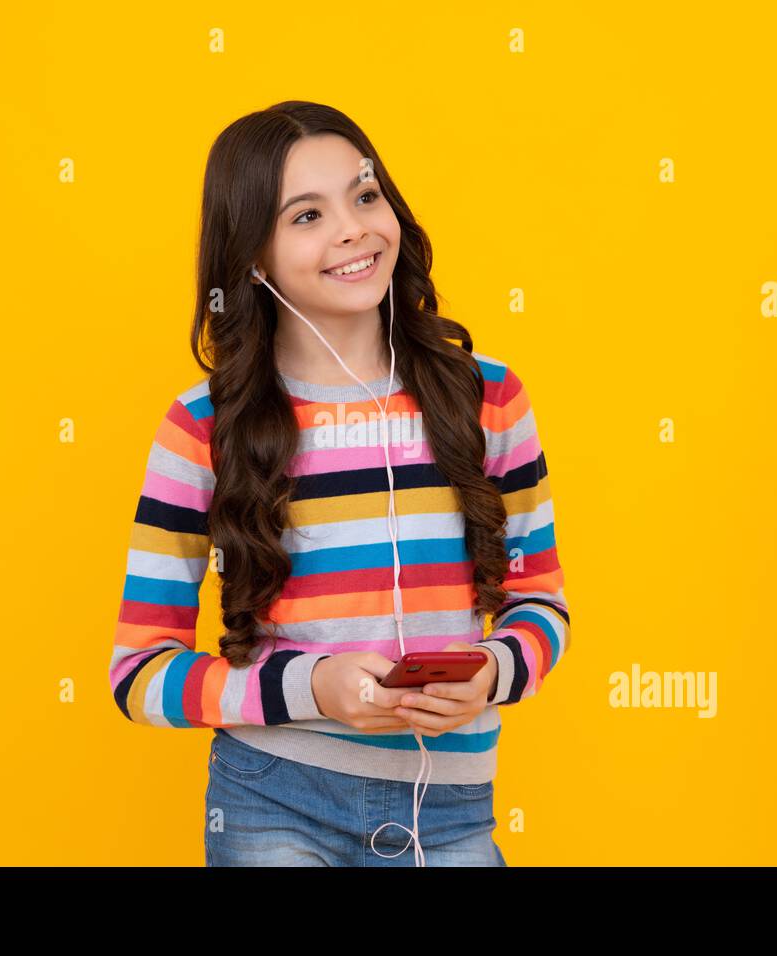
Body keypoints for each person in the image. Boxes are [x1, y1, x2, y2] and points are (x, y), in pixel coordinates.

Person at [108, 100, 570, 866]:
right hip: (271, 802)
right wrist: (313, 689)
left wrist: (492, 672)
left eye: (364, 195)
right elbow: (139, 675)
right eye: (305, 216)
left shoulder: (490, 399)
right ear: (251, 256)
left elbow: (541, 606)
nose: (352, 228)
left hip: (451, 814)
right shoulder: (203, 429)